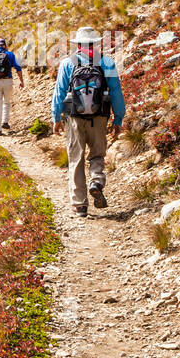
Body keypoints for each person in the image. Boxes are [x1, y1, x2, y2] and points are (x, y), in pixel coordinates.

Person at [52, 26, 126, 217]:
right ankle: (96, 180)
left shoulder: (68, 63)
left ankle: (79, 205)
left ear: (78, 44)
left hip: (74, 116)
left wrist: (56, 118)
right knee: (97, 154)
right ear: (97, 43)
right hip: (99, 115)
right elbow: (116, 92)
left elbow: (59, 93)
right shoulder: (106, 62)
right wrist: (118, 119)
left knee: (75, 158)